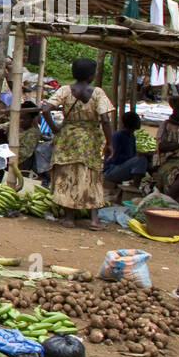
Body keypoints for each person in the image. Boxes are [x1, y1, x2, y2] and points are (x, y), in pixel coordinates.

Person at [39, 57, 114, 230]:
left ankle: (69, 218)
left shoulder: (65, 90)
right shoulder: (98, 93)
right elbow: (105, 119)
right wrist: (110, 142)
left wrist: (55, 128)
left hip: (68, 139)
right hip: (91, 140)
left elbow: (45, 109)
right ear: (91, 75)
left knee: (68, 175)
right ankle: (94, 220)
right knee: (93, 176)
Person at [104, 110, 150, 186]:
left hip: (121, 167)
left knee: (146, 160)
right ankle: (135, 186)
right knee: (140, 160)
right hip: (111, 170)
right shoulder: (117, 136)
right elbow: (114, 158)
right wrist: (133, 157)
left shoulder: (132, 137)